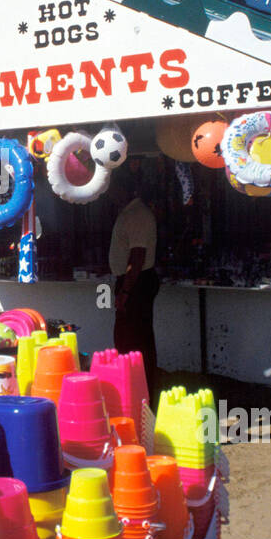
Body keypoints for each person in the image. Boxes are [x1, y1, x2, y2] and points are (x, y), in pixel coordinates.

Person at [108, 169, 160, 397]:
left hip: (136, 283)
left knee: (132, 338)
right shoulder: (130, 212)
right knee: (133, 336)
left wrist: (126, 291)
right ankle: (138, 384)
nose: (110, 194)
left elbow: (137, 257)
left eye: (113, 189)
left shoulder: (137, 214)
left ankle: (139, 386)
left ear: (124, 190)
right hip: (133, 282)